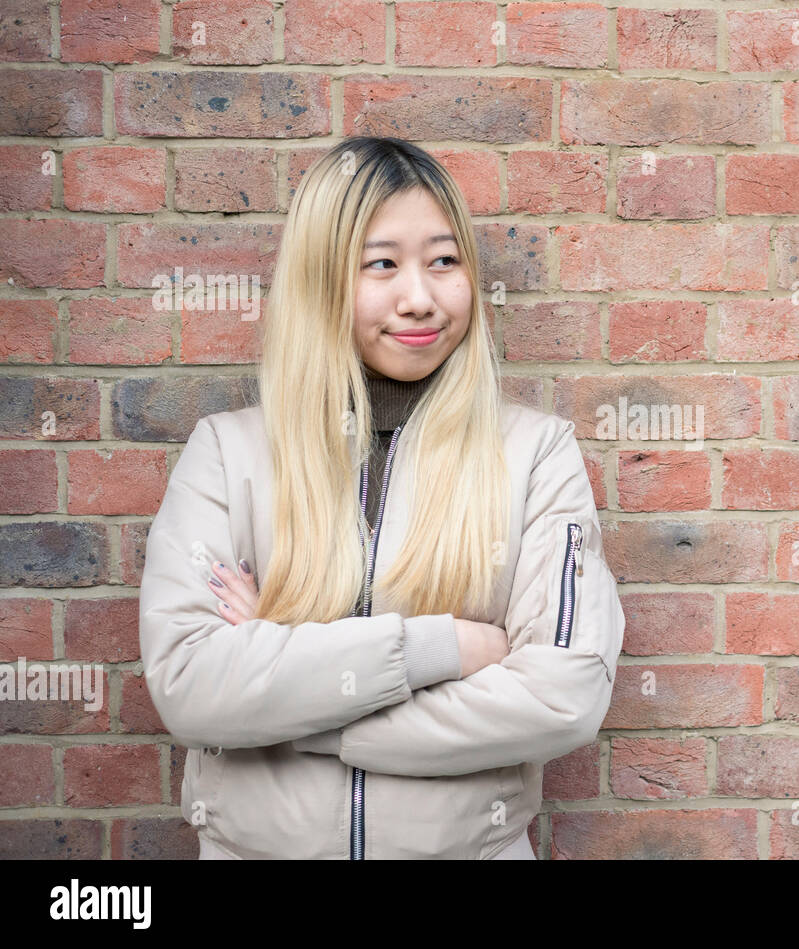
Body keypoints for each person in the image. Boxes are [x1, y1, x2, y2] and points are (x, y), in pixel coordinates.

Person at [137, 136, 625, 859]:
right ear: (323, 279)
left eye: (444, 261)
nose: (420, 296)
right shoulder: (227, 453)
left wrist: (293, 708)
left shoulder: (534, 454)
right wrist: (445, 647)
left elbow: (562, 696)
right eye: (383, 264)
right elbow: (191, 684)